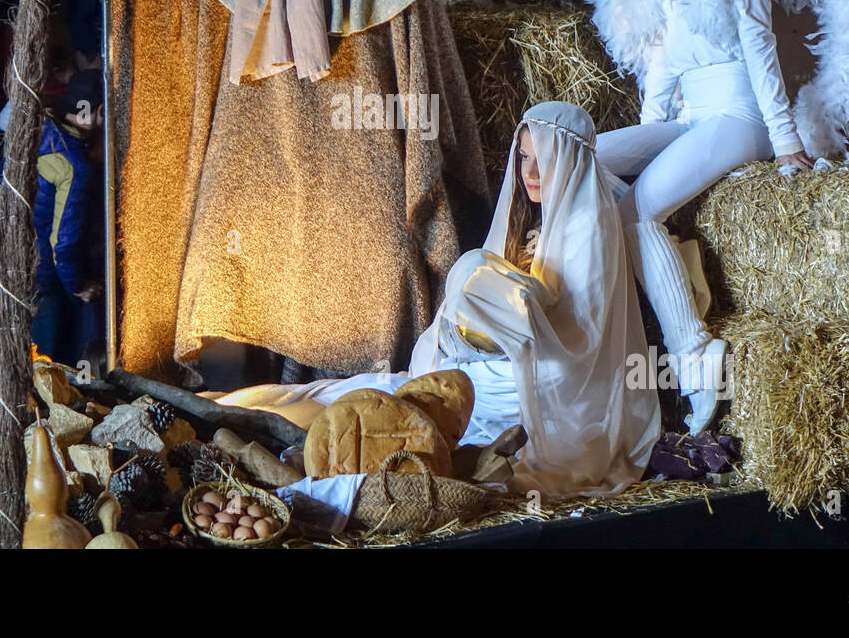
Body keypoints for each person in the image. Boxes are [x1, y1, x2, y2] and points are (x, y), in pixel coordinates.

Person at [90, 0, 490, 386]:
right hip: (251, 169)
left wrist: (423, 151)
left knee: (372, 301)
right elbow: (179, 13)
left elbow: (420, 62)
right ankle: (230, 455)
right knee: (224, 291)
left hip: (356, 167)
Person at [220, 103, 661, 496]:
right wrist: (465, 326)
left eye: (542, 161)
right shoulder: (536, 218)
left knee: (388, 413)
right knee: (367, 394)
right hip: (494, 364)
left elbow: (574, 341)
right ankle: (235, 417)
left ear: (567, 162)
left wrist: (493, 308)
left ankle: (261, 436)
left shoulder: (590, 227)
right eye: (523, 157)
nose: (528, 174)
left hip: (540, 386)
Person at [580, 0, 813, 434]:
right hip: (692, 115)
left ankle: (695, 351)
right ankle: (670, 282)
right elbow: (671, 54)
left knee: (639, 209)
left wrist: (787, 140)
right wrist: (652, 128)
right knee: (582, 159)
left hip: (739, 114)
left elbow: (758, 38)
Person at [0, 69, 104, 366]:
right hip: (43, 277)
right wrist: (78, 285)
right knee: (47, 367)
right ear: (102, 111)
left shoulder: (33, 132)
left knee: (19, 359)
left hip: (11, 262)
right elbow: (62, 242)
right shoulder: (73, 164)